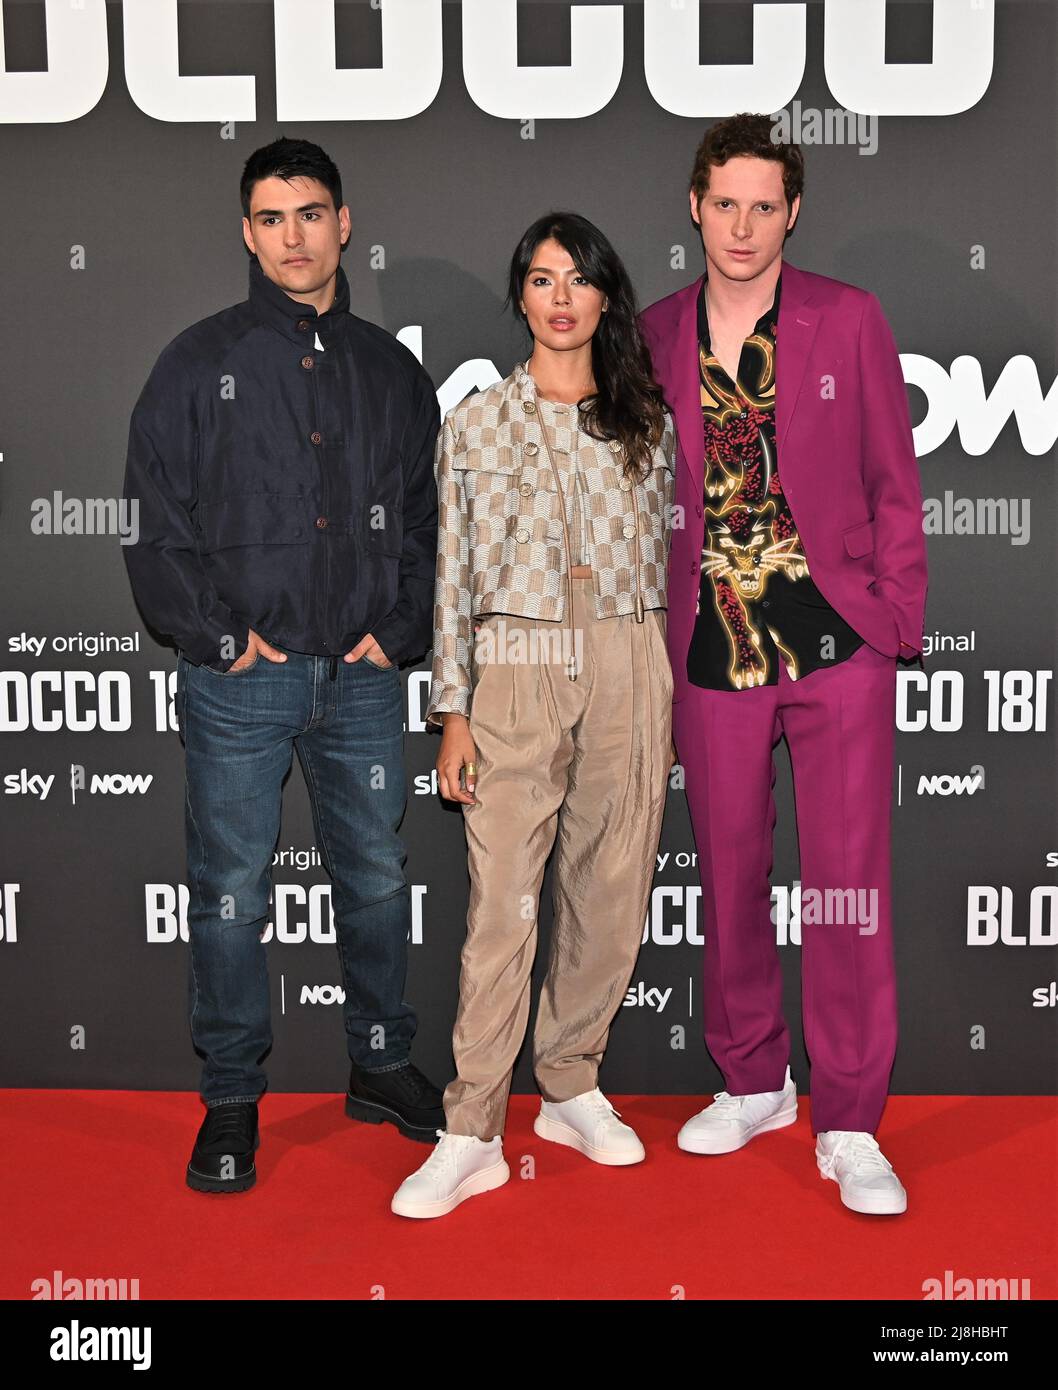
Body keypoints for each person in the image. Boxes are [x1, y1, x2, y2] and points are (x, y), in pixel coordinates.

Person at [121, 137, 444, 1194]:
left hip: (359, 680)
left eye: (311, 213)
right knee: (226, 893)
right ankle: (228, 1098)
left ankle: (383, 1062)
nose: (293, 236)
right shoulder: (192, 363)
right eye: (271, 217)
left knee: (380, 881)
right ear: (246, 231)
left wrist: (394, 633)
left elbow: (429, 524)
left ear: (343, 223)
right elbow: (153, 523)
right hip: (236, 682)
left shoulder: (393, 373)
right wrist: (221, 639)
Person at [639, 113, 927, 1216]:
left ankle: (848, 1117)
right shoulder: (655, 330)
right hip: (709, 643)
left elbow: (891, 481)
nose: (743, 225)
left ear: (792, 212)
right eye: (725, 204)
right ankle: (752, 1077)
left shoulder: (845, 318)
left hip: (831, 640)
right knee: (729, 875)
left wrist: (890, 616)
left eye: (765, 205)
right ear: (695, 208)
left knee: (846, 888)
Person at [391, 213, 677, 1219]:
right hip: (513, 655)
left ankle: (567, 1083)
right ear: (519, 294)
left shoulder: (648, 423)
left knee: (609, 888)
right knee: (500, 906)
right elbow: (450, 576)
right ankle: (469, 1126)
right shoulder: (472, 426)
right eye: (541, 279)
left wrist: (644, 669)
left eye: (578, 279)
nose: (560, 298)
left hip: (624, 651)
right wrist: (453, 710)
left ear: (605, 295)